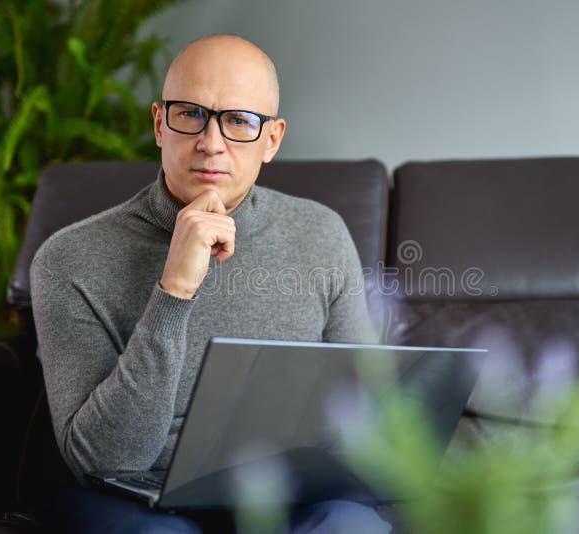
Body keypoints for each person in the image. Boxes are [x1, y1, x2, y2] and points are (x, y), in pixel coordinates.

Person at [30, 34, 389, 532]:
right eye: (190, 114)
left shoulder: (321, 234)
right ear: (160, 124)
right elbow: (104, 460)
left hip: (284, 490)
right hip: (136, 497)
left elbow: (368, 409)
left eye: (239, 120)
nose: (211, 143)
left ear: (272, 140)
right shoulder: (68, 258)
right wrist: (174, 290)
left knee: (350, 524)